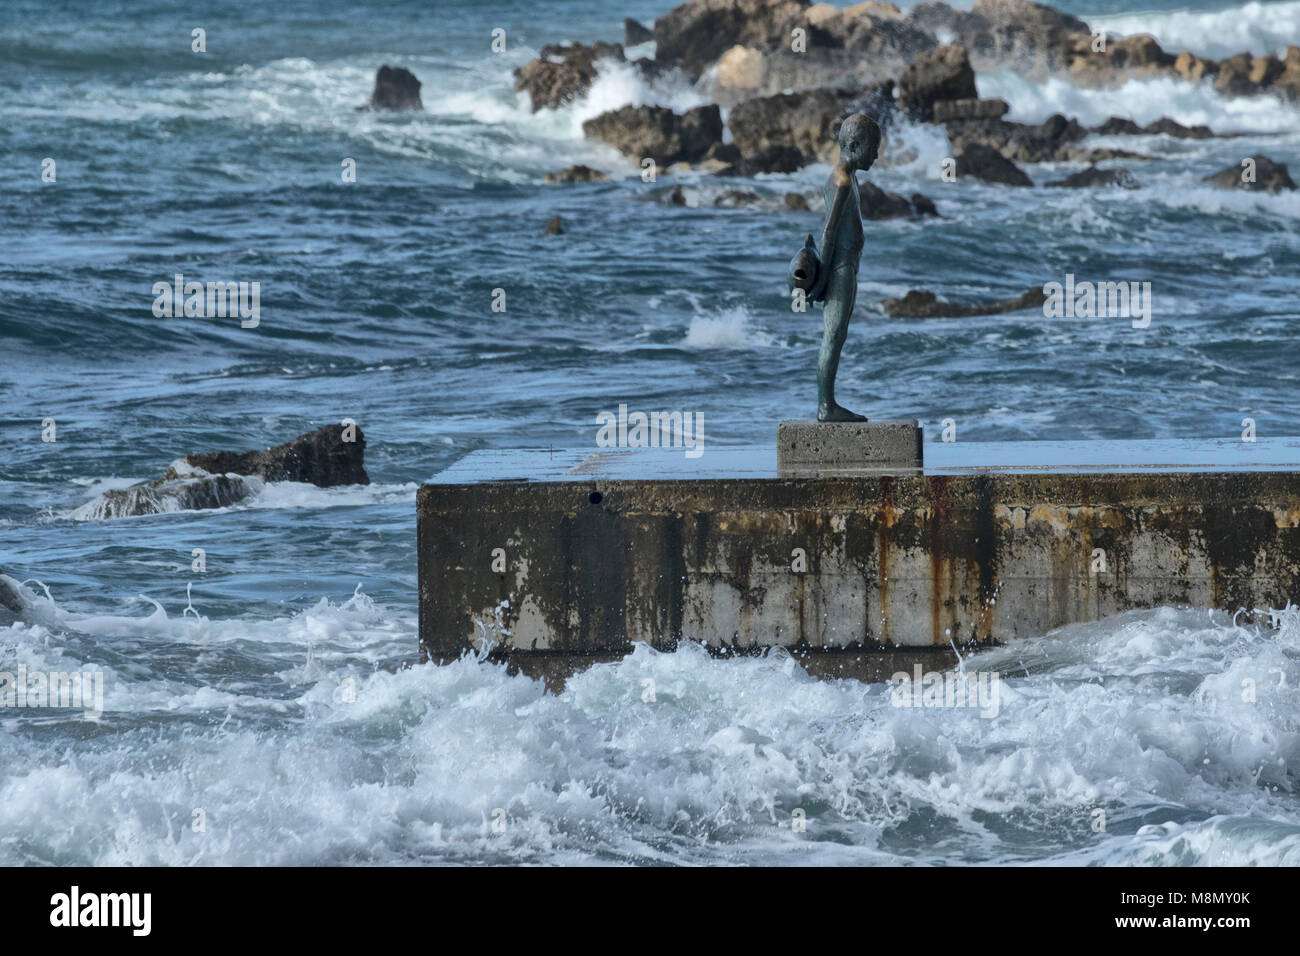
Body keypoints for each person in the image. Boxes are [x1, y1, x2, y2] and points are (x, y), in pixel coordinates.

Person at [806, 113, 881, 422]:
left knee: (838, 334)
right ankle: (826, 406)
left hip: (849, 265)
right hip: (839, 267)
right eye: (872, 148)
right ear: (852, 145)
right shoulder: (841, 180)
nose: (876, 155)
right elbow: (828, 231)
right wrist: (822, 279)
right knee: (833, 335)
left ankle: (829, 403)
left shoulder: (850, 176)